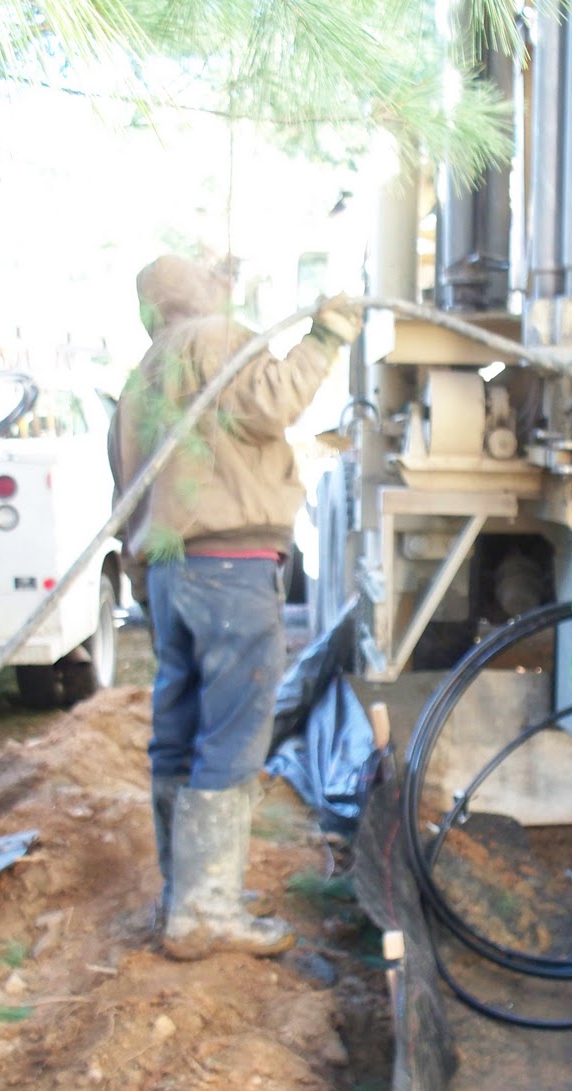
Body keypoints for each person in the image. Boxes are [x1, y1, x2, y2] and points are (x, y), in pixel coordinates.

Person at [108, 253, 362, 960]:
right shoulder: (212, 338)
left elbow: (125, 495)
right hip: (230, 565)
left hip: (169, 574)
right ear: (194, 291)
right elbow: (268, 405)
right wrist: (326, 338)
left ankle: (184, 895)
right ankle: (207, 910)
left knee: (180, 731)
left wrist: (145, 587)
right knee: (232, 731)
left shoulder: (140, 380)